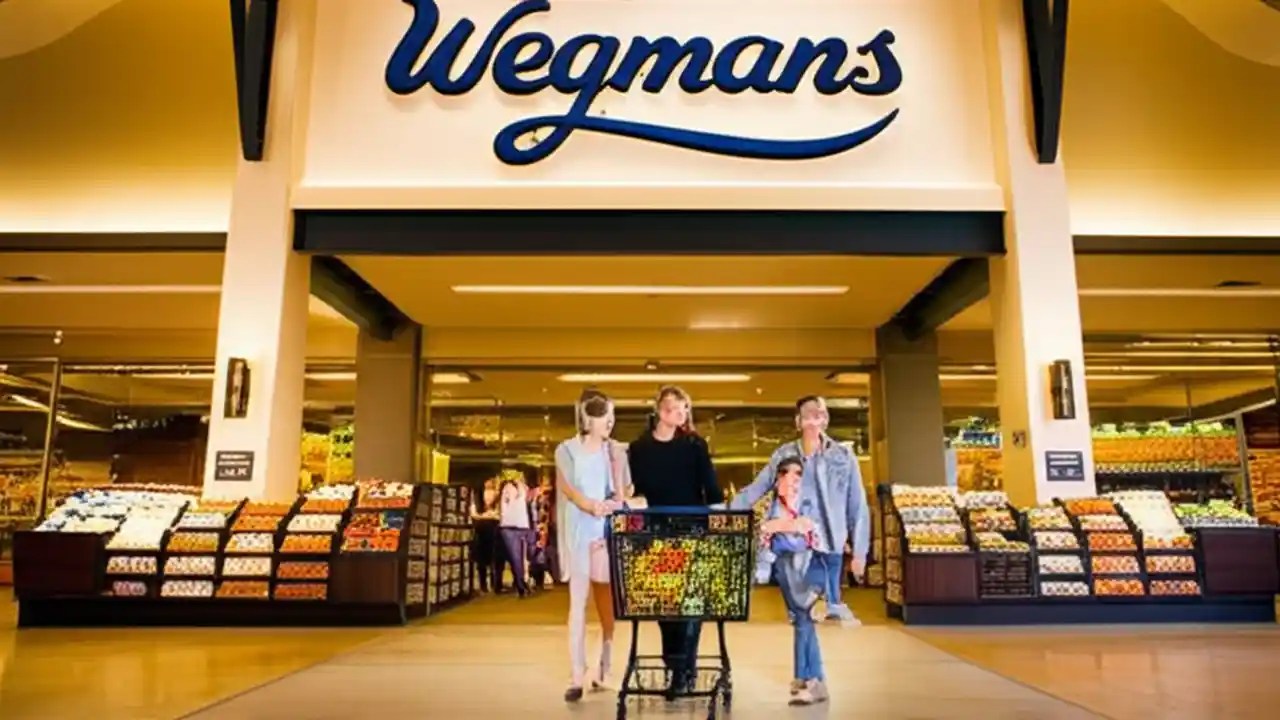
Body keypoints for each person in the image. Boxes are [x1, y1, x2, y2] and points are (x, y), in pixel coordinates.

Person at [730, 395, 870, 626]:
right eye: (809, 415)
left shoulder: (843, 457)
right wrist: (726, 511)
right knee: (803, 614)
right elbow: (757, 489)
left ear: (826, 419)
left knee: (827, 616)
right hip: (795, 545)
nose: (815, 420)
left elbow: (857, 504)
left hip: (831, 546)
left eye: (820, 414)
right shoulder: (784, 456)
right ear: (798, 421)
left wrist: (859, 552)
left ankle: (819, 645)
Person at [627, 385, 723, 698]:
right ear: (658, 409)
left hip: (691, 532)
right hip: (656, 536)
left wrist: (718, 523)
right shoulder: (639, 448)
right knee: (665, 607)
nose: (678, 413)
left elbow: (711, 486)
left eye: (683, 408)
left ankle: (683, 670)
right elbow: (637, 490)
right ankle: (675, 665)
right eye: (672, 407)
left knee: (690, 605)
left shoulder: (694, 445)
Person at [555, 389, 628, 703]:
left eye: (611, 415)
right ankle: (576, 674)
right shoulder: (566, 450)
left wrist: (612, 503)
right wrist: (590, 505)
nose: (609, 421)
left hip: (607, 533)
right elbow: (568, 488)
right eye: (603, 415)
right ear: (587, 418)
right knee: (578, 603)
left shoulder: (616, 452)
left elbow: (622, 490)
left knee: (608, 604)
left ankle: (603, 669)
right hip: (579, 534)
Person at [760, 457, 829, 705]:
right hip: (782, 564)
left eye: (798, 474)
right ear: (778, 478)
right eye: (786, 473)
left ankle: (814, 679)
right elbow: (764, 528)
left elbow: (807, 525)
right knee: (800, 618)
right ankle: (803, 675)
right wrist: (780, 526)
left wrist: (779, 526)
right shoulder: (773, 503)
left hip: (805, 561)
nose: (792, 479)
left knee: (804, 617)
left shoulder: (808, 500)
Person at [497, 474, 533, 598]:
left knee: (519, 557)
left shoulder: (523, 488)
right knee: (516, 557)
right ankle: (521, 585)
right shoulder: (507, 488)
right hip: (511, 526)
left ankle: (522, 583)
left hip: (518, 526)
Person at [470, 477, 501, 594]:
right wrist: (489, 515)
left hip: (491, 529)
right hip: (481, 530)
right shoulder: (476, 498)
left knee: (493, 558)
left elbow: (498, 514)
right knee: (482, 560)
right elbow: (473, 514)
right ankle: (484, 584)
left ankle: (494, 583)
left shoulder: (497, 496)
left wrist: (483, 515)